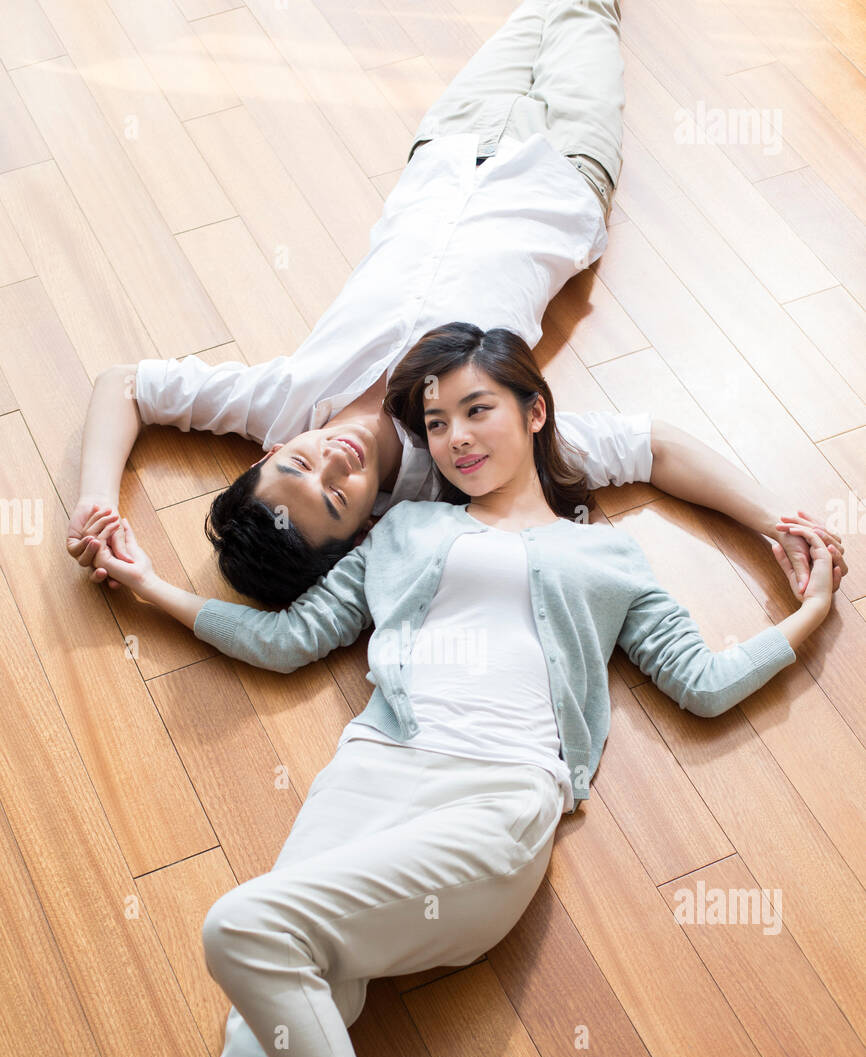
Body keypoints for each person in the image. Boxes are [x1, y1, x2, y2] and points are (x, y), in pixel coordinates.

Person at [79, 321, 836, 1057]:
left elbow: (698, 681)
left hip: (495, 797)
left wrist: (804, 612)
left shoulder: (607, 559)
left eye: (477, 408)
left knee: (243, 927)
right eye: (436, 422)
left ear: (533, 411)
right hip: (366, 781)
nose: (455, 436)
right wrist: (150, 589)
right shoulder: (403, 528)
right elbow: (292, 637)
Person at [66, 0, 846, 607]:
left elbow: (124, 384)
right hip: (563, 171)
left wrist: (97, 504)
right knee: (587, 10)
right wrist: (776, 522)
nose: (331, 460)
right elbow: (653, 448)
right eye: (335, 495)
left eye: (300, 464)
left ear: (272, 453)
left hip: (449, 150)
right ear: (364, 526)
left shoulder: (280, 405)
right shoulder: (467, 460)